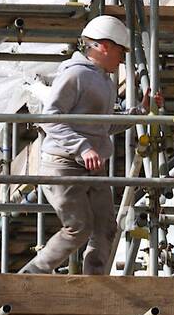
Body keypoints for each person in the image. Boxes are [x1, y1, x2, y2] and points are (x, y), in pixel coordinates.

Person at [19, 15, 161, 275]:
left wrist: (140, 112)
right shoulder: (76, 75)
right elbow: (51, 118)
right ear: (104, 46)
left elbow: (103, 126)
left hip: (91, 168)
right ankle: (31, 275)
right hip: (63, 164)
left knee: (105, 228)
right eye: (120, 50)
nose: (122, 57)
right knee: (78, 227)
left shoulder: (104, 81)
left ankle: (95, 284)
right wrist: (82, 147)